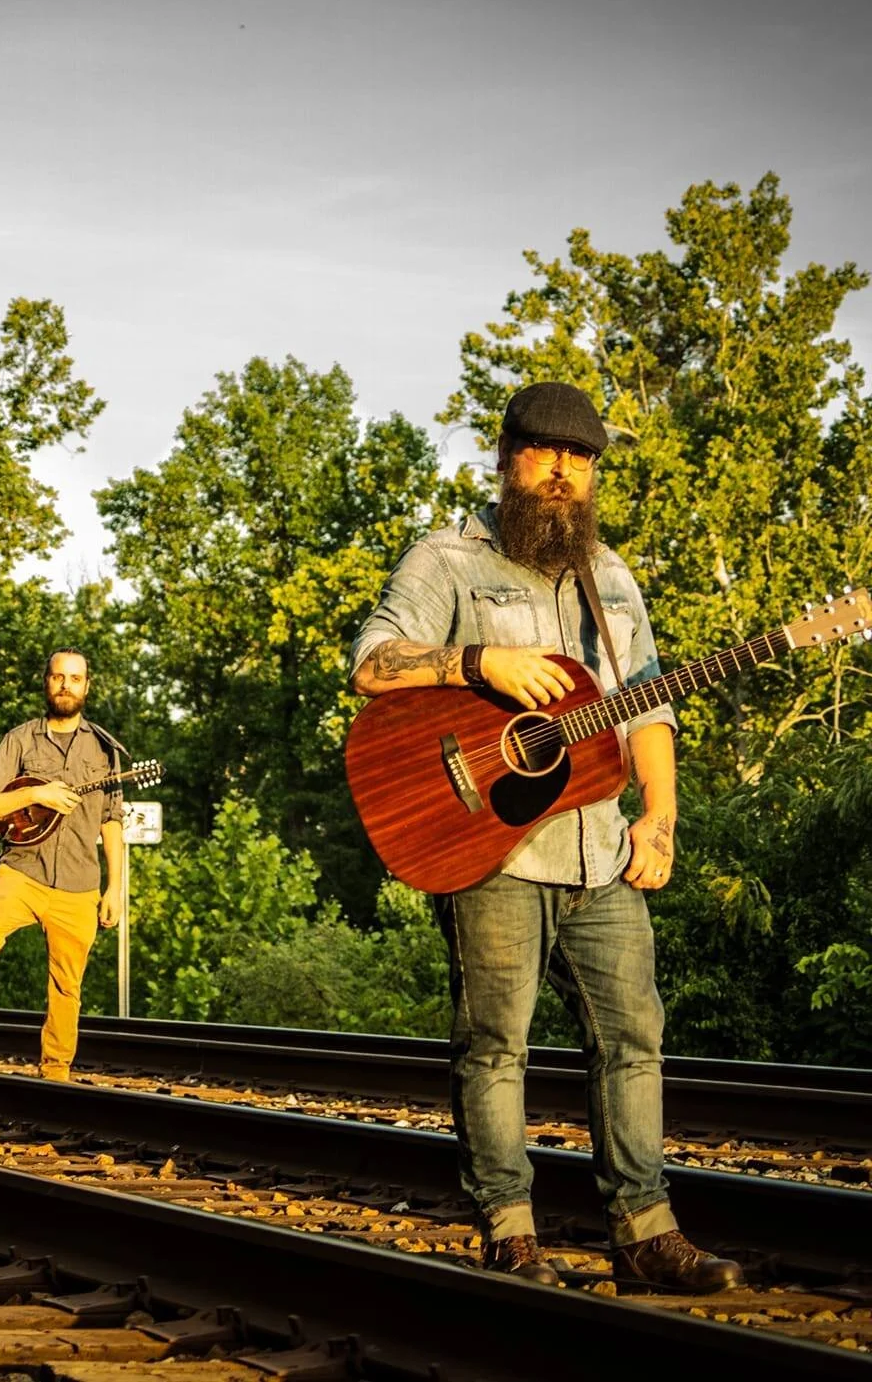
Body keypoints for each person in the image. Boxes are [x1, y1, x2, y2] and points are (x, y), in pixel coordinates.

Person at [349, 382, 741, 1295]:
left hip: (602, 845)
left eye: (582, 457)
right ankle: (510, 1230)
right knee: (496, 1042)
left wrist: (661, 815)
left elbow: (649, 702)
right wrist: (476, 661)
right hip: (490, 845)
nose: (564, 470)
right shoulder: (448, 558)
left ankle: (646, 1231)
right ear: (507, 455)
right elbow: (373, 664)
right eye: (546, 451)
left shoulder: (612, 577)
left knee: (634, 1031)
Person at [0, 649, 124, 1081]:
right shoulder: (20, 740)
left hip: (79, 882)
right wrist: (36, 795)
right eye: (58, 677)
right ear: (46, 682)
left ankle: (55, 1073)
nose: (66, 685)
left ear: (87, 686)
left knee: (67, 984)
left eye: (75, 678)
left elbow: (112, 821)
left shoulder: (106, 750)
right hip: (22, 870)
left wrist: (116, 888)